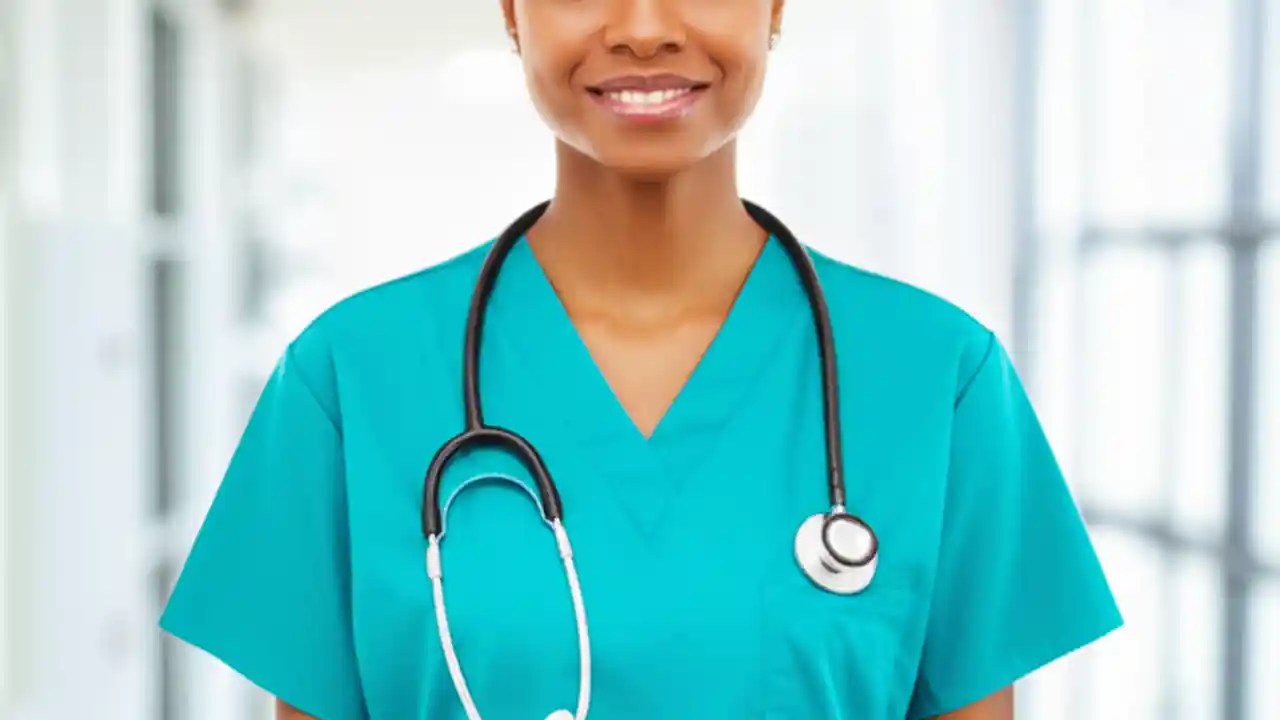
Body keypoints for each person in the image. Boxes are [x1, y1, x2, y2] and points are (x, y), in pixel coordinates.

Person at [159, 1, 1123, 718]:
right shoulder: (348, 380)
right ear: (510, 12)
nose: (646, 27)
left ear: (778, 7)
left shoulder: (938, 379)